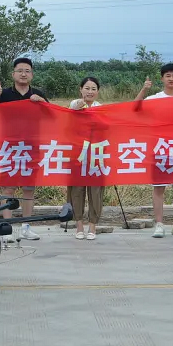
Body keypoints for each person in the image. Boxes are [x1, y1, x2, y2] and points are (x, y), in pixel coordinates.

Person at [0, 57, 47, 242]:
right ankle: (7, 228)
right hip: (8, 146)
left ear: (32, 75)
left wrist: (42, 101)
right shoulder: (3, 94)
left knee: (29, 188)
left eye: (27, 71)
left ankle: (26, 227)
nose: (23, 74)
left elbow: (52, 113)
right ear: (13, 74)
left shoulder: (37, 94)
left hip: (31, 146)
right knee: (8, 188)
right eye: (20, 70)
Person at [135, 63, 173, 239]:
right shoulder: (154, 99)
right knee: (159, 187)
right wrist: (144, 90)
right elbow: (135, 108)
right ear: (162, 78)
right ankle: (159, 224)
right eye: (168, 75)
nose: (171, 79)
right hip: (160, 147)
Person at [68, 76, 104, 240]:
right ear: (80, 89)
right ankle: (79, 226)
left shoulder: (101, 108)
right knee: (76, 190)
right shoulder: (74, 105)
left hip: (96, 153)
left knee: (95, 191)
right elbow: (67, 124)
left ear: (98, 92)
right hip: (77, 154)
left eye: (93, 89)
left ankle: (93, 226)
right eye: (87, 88)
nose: (90, 92)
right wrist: (77, 109)